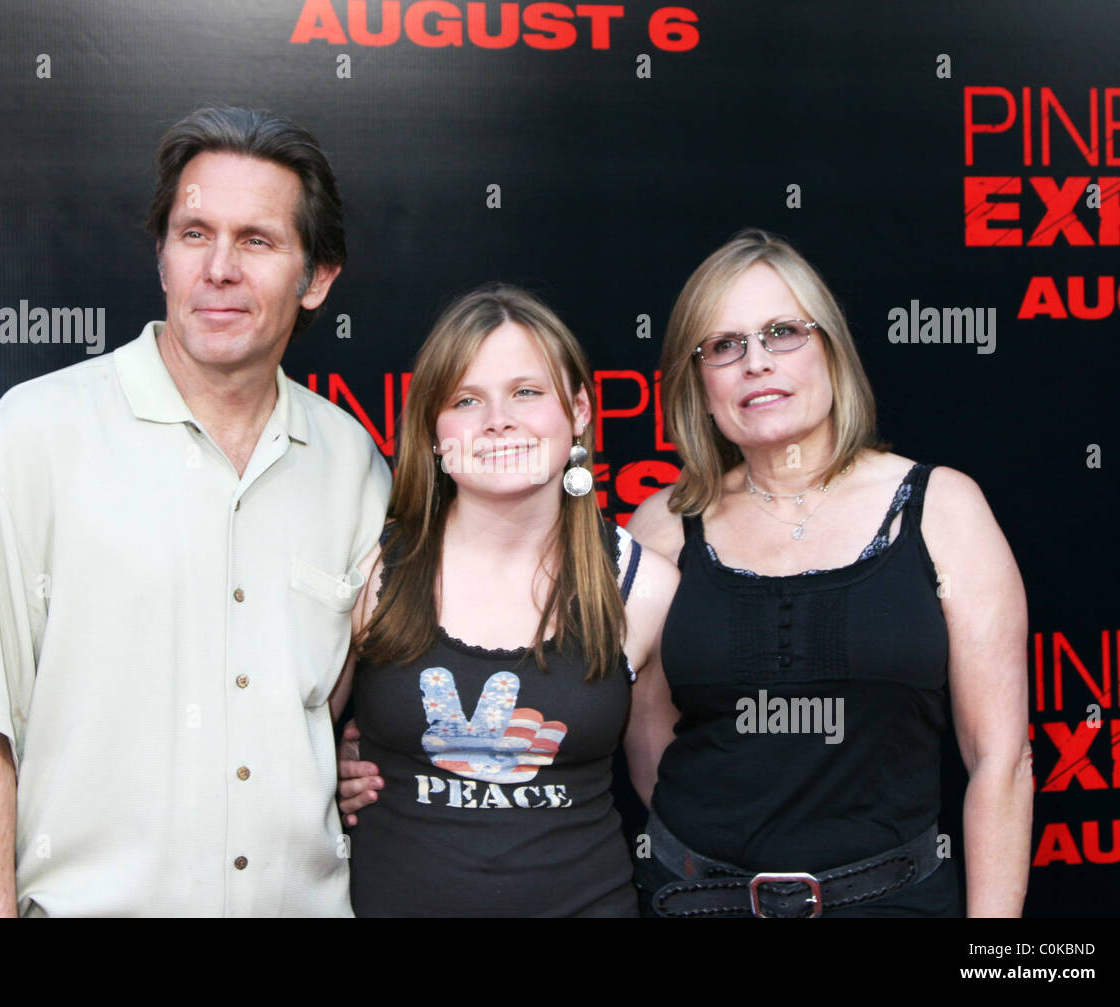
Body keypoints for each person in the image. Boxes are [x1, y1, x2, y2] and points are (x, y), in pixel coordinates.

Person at [0, 107, 391, 917]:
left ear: (316, 277)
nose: (219, 268)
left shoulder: (353, 462)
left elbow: (340, 699)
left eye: (257, 240)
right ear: (163, 259)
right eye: (194, 233)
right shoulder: (38, 433)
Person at [623, 229, 1032, 917]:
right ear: (700, 382)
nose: (755, 362)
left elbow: (1001, 762)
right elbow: (650, 749)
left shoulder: (942, 508)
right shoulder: (662, 526)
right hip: (697, 901)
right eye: (724, 345)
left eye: (782, 332)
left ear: (831, 350)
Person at [329, 284, 679, 916]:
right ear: (434, 432)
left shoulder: (644, 587)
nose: (498, 420)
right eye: (466, 399)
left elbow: (671, 790)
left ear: (577, 411)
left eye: (526, 391)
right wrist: (328, 774)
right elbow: (281, 739)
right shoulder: (370, 568)